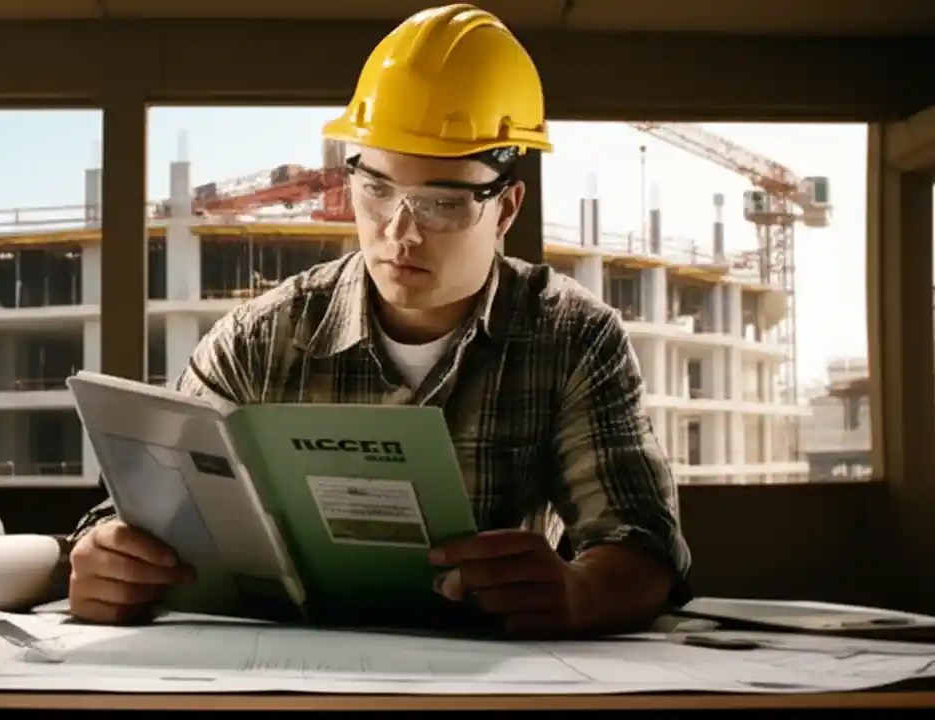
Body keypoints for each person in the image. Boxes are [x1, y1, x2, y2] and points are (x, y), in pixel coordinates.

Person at [63, 3, 692, 639]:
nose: (399, 232)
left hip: (487, 680)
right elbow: (138, 519)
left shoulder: (573, 337)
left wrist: (581, 591)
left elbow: (640, 542)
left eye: (441, 202)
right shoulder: (260, 338)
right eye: (377, 189)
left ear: (506, 209)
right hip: (278, 676)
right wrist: (105, 560)